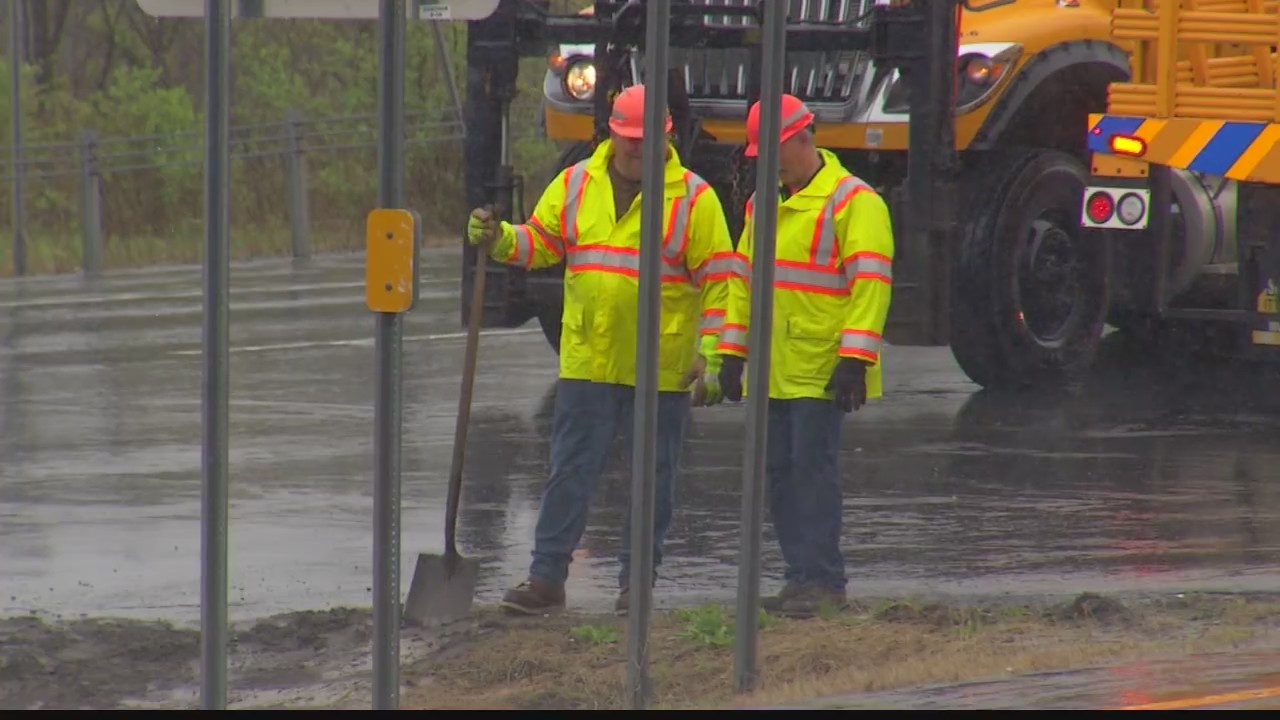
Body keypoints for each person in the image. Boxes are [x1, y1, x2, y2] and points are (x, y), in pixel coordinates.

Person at [466, 84, 743, 616]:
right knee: (569, 471)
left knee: (652, 481)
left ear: (666, 137)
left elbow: (719, 282)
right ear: (612, 135)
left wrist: (711, 354)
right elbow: (541, 242)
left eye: (647, 141)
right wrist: (497, 238)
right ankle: (546, 580)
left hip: (659, 367)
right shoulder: (575, 184)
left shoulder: (692, 197)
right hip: (589, 360)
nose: (637, 150)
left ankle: (637, 585)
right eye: (628, 140)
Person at [717, 94, 895, 618]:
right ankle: (801, 578)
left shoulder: (853, 202)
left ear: (803, 138)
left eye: (775, 152)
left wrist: (855, 359)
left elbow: (871, 284)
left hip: (820, 369)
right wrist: (733, 351)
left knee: (811, 475)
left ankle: (822, 581)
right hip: (774, 369)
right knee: (779, 474)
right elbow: (742, 281)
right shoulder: (762, 204)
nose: (769, 165)